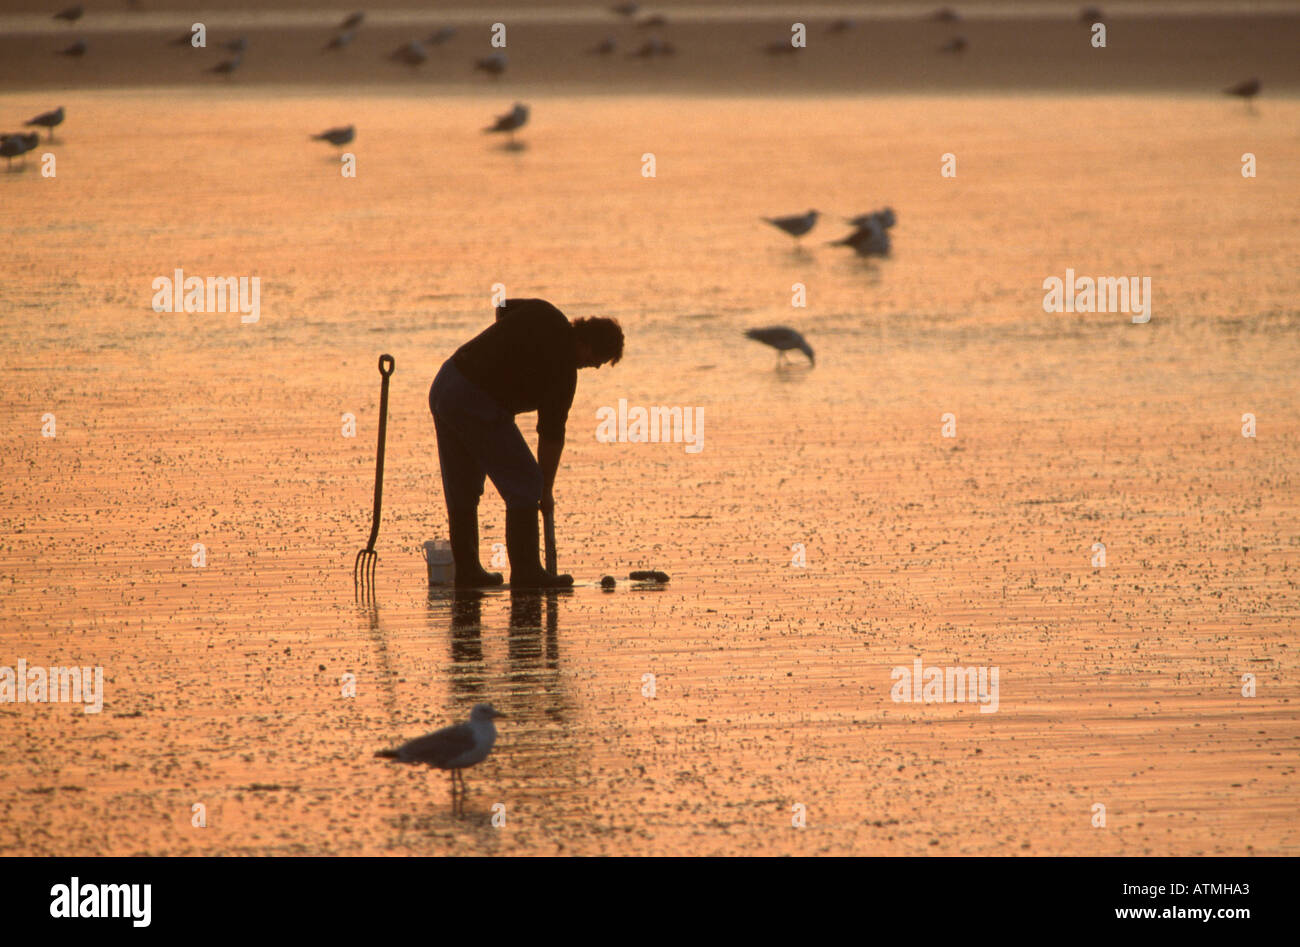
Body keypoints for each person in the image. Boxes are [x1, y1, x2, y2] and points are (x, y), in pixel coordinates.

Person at [429, 298, 624, 587]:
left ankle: (468, 572)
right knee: (526, 482)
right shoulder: (563, 372)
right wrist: (545, 489)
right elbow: (551, 436)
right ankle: (526, 572)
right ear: (588, 346)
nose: (594, 367)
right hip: (475, 398)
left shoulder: (545, 312)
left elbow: (502, 307)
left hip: (447, 383)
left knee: (462, 487)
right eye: (598, 360)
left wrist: (507, 355)